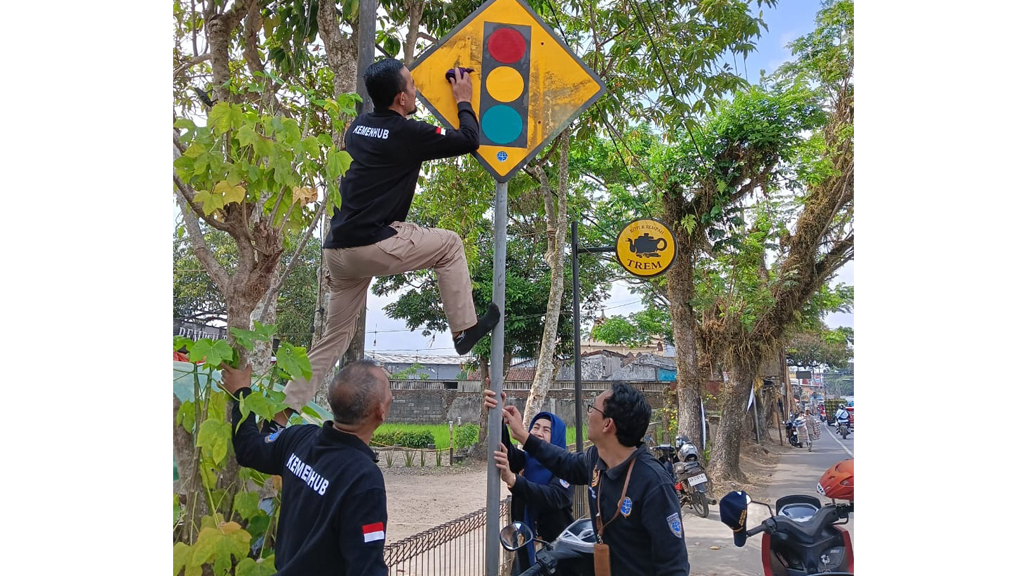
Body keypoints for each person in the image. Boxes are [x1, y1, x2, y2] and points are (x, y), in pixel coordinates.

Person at [276, 57, 500, 425]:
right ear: (399, 98)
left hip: (337, 251)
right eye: (412, 86)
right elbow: (469, 140)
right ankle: (463, 329)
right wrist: (463, 98)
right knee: (449, 245)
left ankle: (282, 412)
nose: (417, 91)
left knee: (334, 337)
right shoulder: (407, 134)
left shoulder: (358, 128)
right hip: (371, 244)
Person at [487, 384, 690, 576]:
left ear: (607, 424)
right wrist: (521, 434)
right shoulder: (595, 458)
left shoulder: (653, 483)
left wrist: (515, 480)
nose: (588, 413)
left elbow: (674, 566)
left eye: (592, 408)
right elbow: (563, 462)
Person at [221, 360, 393, 576]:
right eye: (389, 390)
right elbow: (367, 569)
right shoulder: (364, 479)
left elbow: (248, 448)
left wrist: (242, 393)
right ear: (381, 411)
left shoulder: (299, 437)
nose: (391, 395)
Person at [484, 390, 573, 573]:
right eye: (536, 427)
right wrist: (497, 416)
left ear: (557, 437)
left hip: (556, 554)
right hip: (526, 550)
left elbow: (552, 496)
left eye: (546, 430)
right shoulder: (526, 460)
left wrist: (514, 481)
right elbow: (505, 449)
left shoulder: (565, 469)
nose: (539, 433)